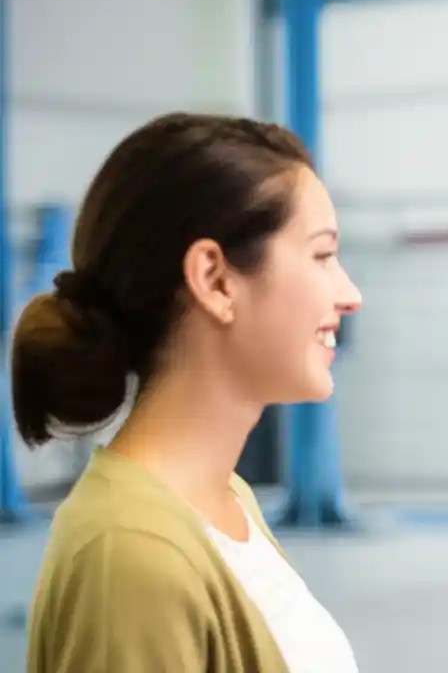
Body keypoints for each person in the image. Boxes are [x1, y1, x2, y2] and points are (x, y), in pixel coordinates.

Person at [14, 112, 363, 673]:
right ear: (215, 280)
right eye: (322, 255)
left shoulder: (228, 500)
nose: (350, 294)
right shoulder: (130, 553)